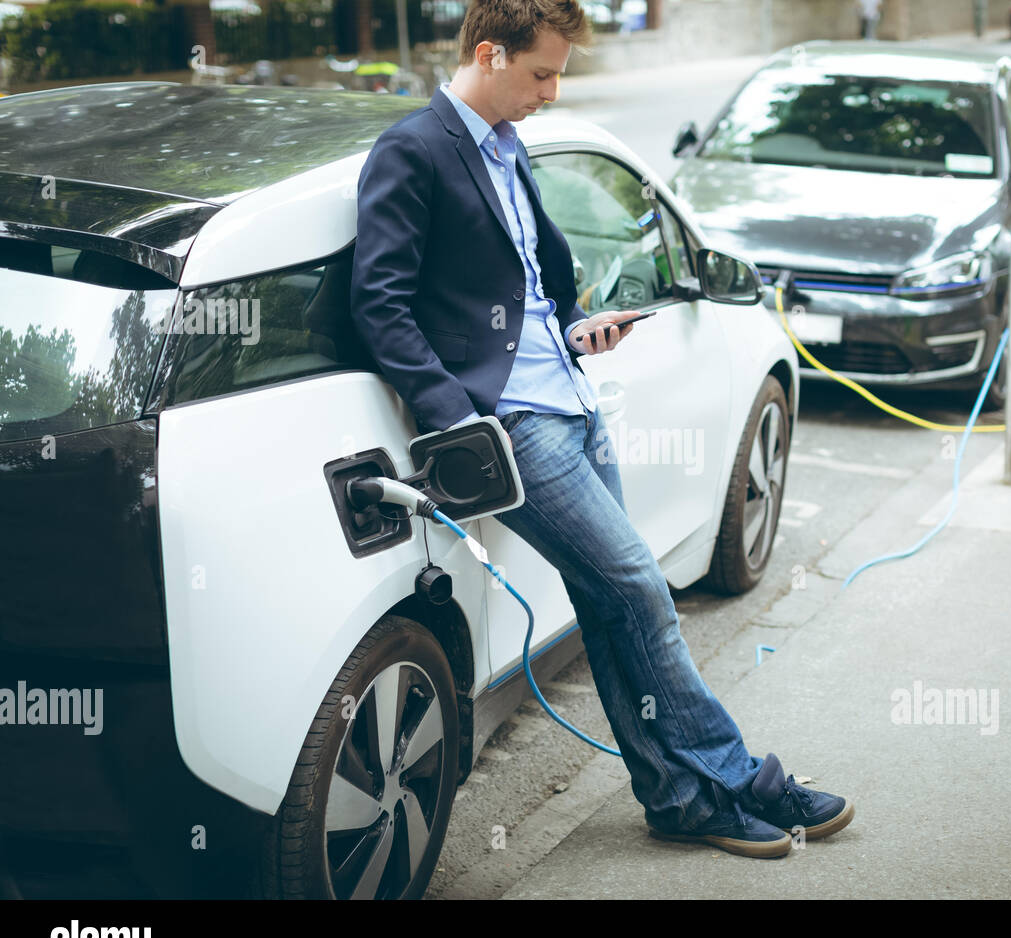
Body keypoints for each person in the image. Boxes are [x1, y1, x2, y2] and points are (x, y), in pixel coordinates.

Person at [350, 0, 853, 858]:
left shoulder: (509, 149)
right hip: (514, 425)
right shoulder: (415, 150)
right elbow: (380, 303)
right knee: (642, 591)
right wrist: (463, 420)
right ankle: (738, 777)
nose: (552, 91)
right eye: (542, 73)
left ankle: (676, 799)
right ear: (489, 53)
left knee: (610, 602)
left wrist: (580, 325)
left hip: (574, 400)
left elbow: (526, 292)